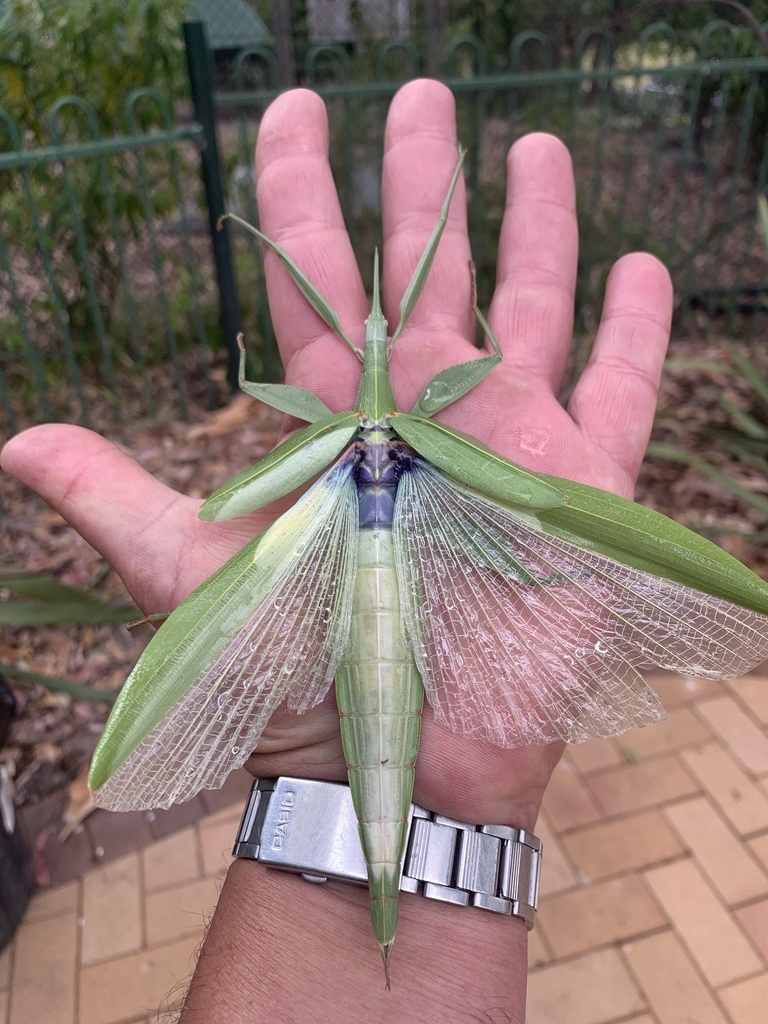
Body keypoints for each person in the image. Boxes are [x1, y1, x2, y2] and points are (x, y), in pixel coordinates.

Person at [1, 80, 672, 1021]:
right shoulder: (408, 431)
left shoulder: (344, 439)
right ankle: (393, 894)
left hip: (341, 519)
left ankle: (389, 892)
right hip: (381, 525)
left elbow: (233, 498)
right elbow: (248, 492)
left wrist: (255, 373)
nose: (376, 339)